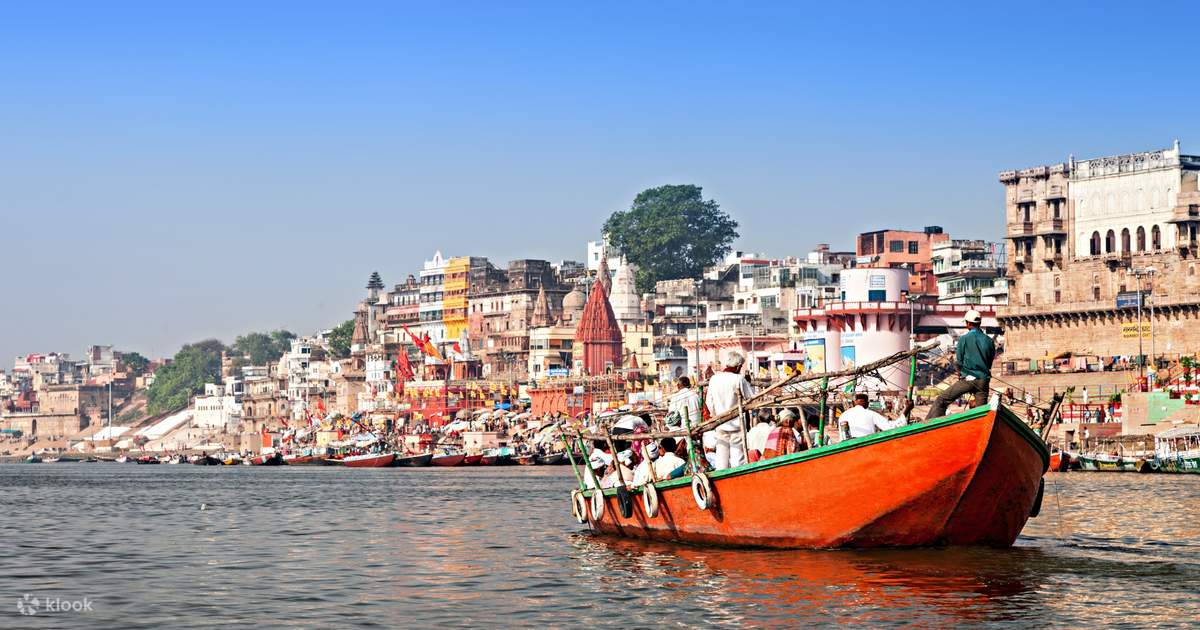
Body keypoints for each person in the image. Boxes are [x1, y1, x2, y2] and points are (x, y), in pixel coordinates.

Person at [926, 309, 996, 420]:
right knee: (982, 412)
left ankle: (930, 424)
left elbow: (958, 362)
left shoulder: (964, 339)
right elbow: (990, 362)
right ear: (979, 323)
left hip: (968, 379)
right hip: (983, 381)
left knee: (941, 400)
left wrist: (960, 374)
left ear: (968, 323)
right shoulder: (989, 340)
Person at [705, 350, 755, 469]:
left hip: (720, 424)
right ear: (738, 366)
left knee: (721, 461)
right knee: (738, 461)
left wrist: (716, 415)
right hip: (737, 426)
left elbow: (709, 402)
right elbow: (751, 398)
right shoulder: (739, 379)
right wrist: (748, 383)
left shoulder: (714, 379)